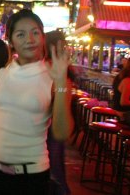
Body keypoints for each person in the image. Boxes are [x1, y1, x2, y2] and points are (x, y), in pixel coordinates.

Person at [0, 9, 72, 195]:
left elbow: (62, 132)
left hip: (31, 178)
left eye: (35, 32)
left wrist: (62, 82)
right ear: (12, 42)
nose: (29, 39)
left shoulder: (54, 78)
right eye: (21, 34)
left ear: (42, 37)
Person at [45, 31, 73, 195]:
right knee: (55, 176)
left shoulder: (46, 68)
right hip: (50, 132)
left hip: (48, 130)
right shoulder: (55, 69)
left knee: (55, 176)